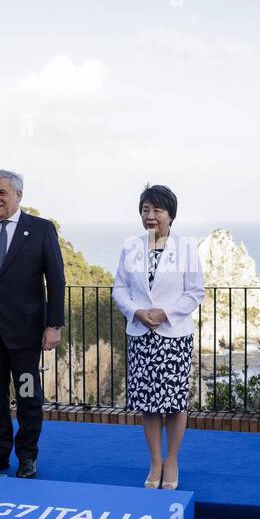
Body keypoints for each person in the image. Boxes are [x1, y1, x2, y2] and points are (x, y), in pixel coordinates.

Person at [0, 170, 66, 479]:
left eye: (2, 193)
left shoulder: (40, 229)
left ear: (18, 195)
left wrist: (54, 325)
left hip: (25, 334)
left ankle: (27, 457)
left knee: (27, 396)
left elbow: (57, 280)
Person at [112, 185, 205, 489]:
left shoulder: (186, 249)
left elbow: (195, 292)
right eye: (145, 210)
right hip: (141, 334)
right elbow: (120, 289)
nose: (150, 216)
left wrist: (165, 314)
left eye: (157, 210)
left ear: (170, 215)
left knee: (175, 401)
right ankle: (155, 462)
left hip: (173, 335)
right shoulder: (131, 247)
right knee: (148, 404)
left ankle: (172, 460)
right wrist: (137, 312)